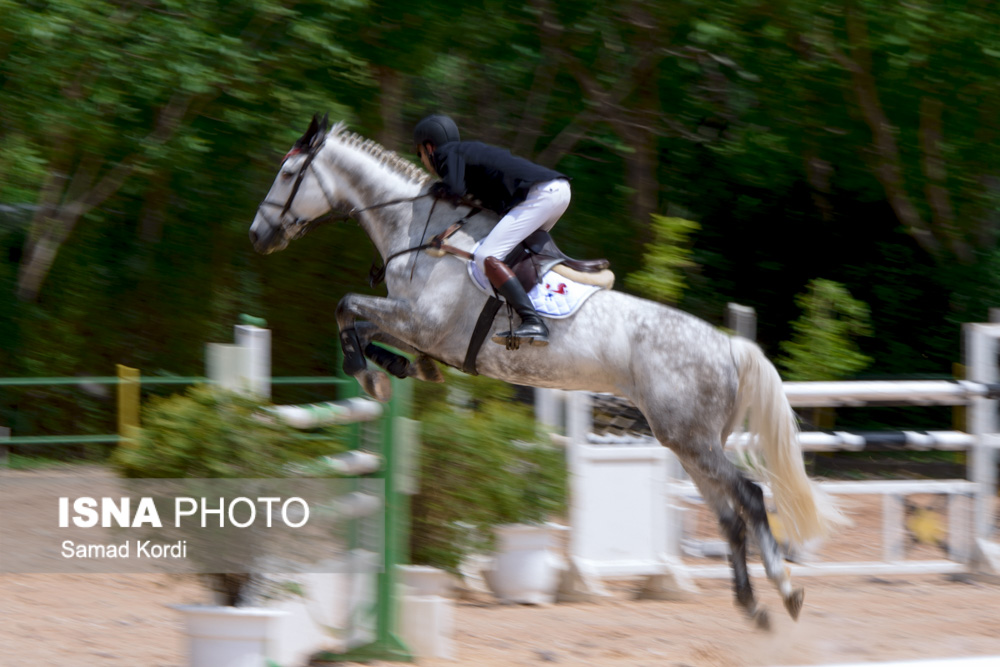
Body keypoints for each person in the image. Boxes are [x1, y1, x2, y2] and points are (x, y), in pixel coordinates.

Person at [413, 114, 570, 347]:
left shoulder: (448, 153)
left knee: (485, 256)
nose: (423, 161)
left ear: (430, 147)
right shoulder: (467, 154)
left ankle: (533, 321)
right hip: (557, 191)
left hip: (542, 195)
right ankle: (534, 311)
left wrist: (437, 189)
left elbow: (454, 189)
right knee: (515, 256)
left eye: (420, 155)